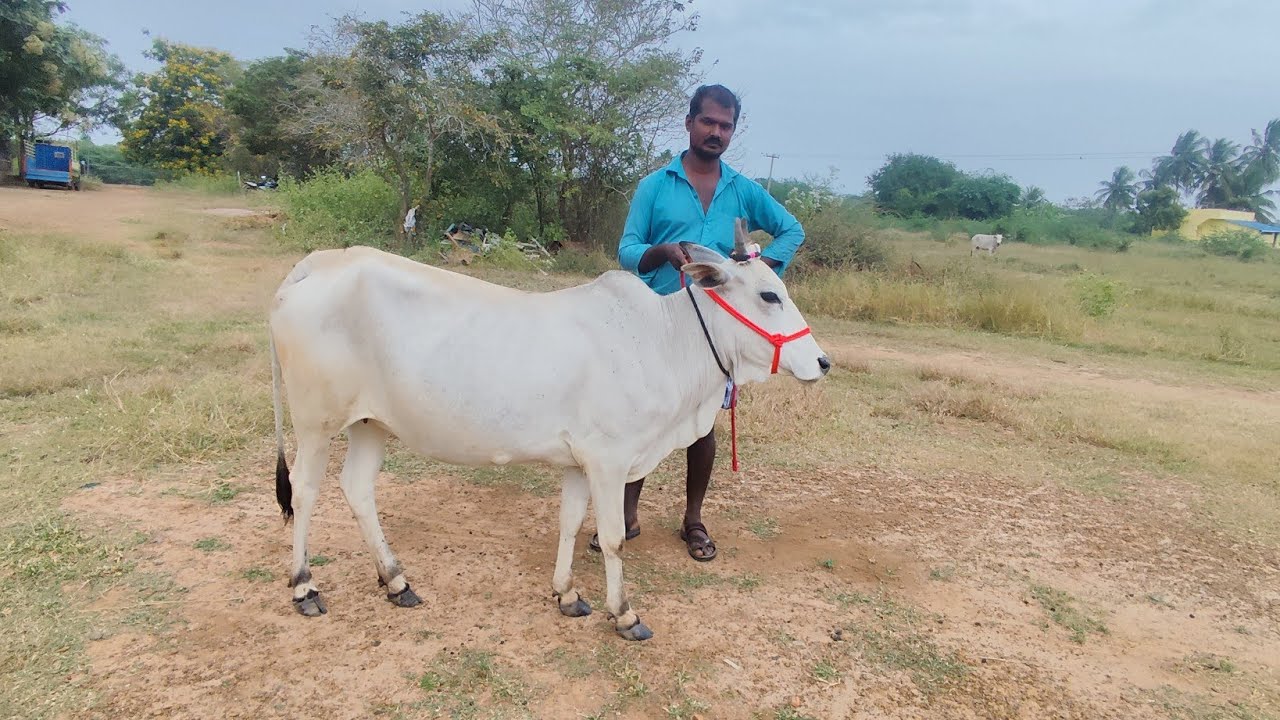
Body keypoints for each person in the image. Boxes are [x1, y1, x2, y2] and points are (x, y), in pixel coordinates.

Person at [592, 84, 805, 562]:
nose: (716, 132)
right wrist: (662, 252)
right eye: (708, 121)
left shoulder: (742, 189)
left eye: (726, 126)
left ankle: (693, 520)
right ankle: (626, 516)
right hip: (656, 321)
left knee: (703, 422)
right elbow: (627, 250)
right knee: (641, 418)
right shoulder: (655, 186)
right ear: (689, 122)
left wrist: (760, 270)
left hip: (716, 331)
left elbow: (793, 230)